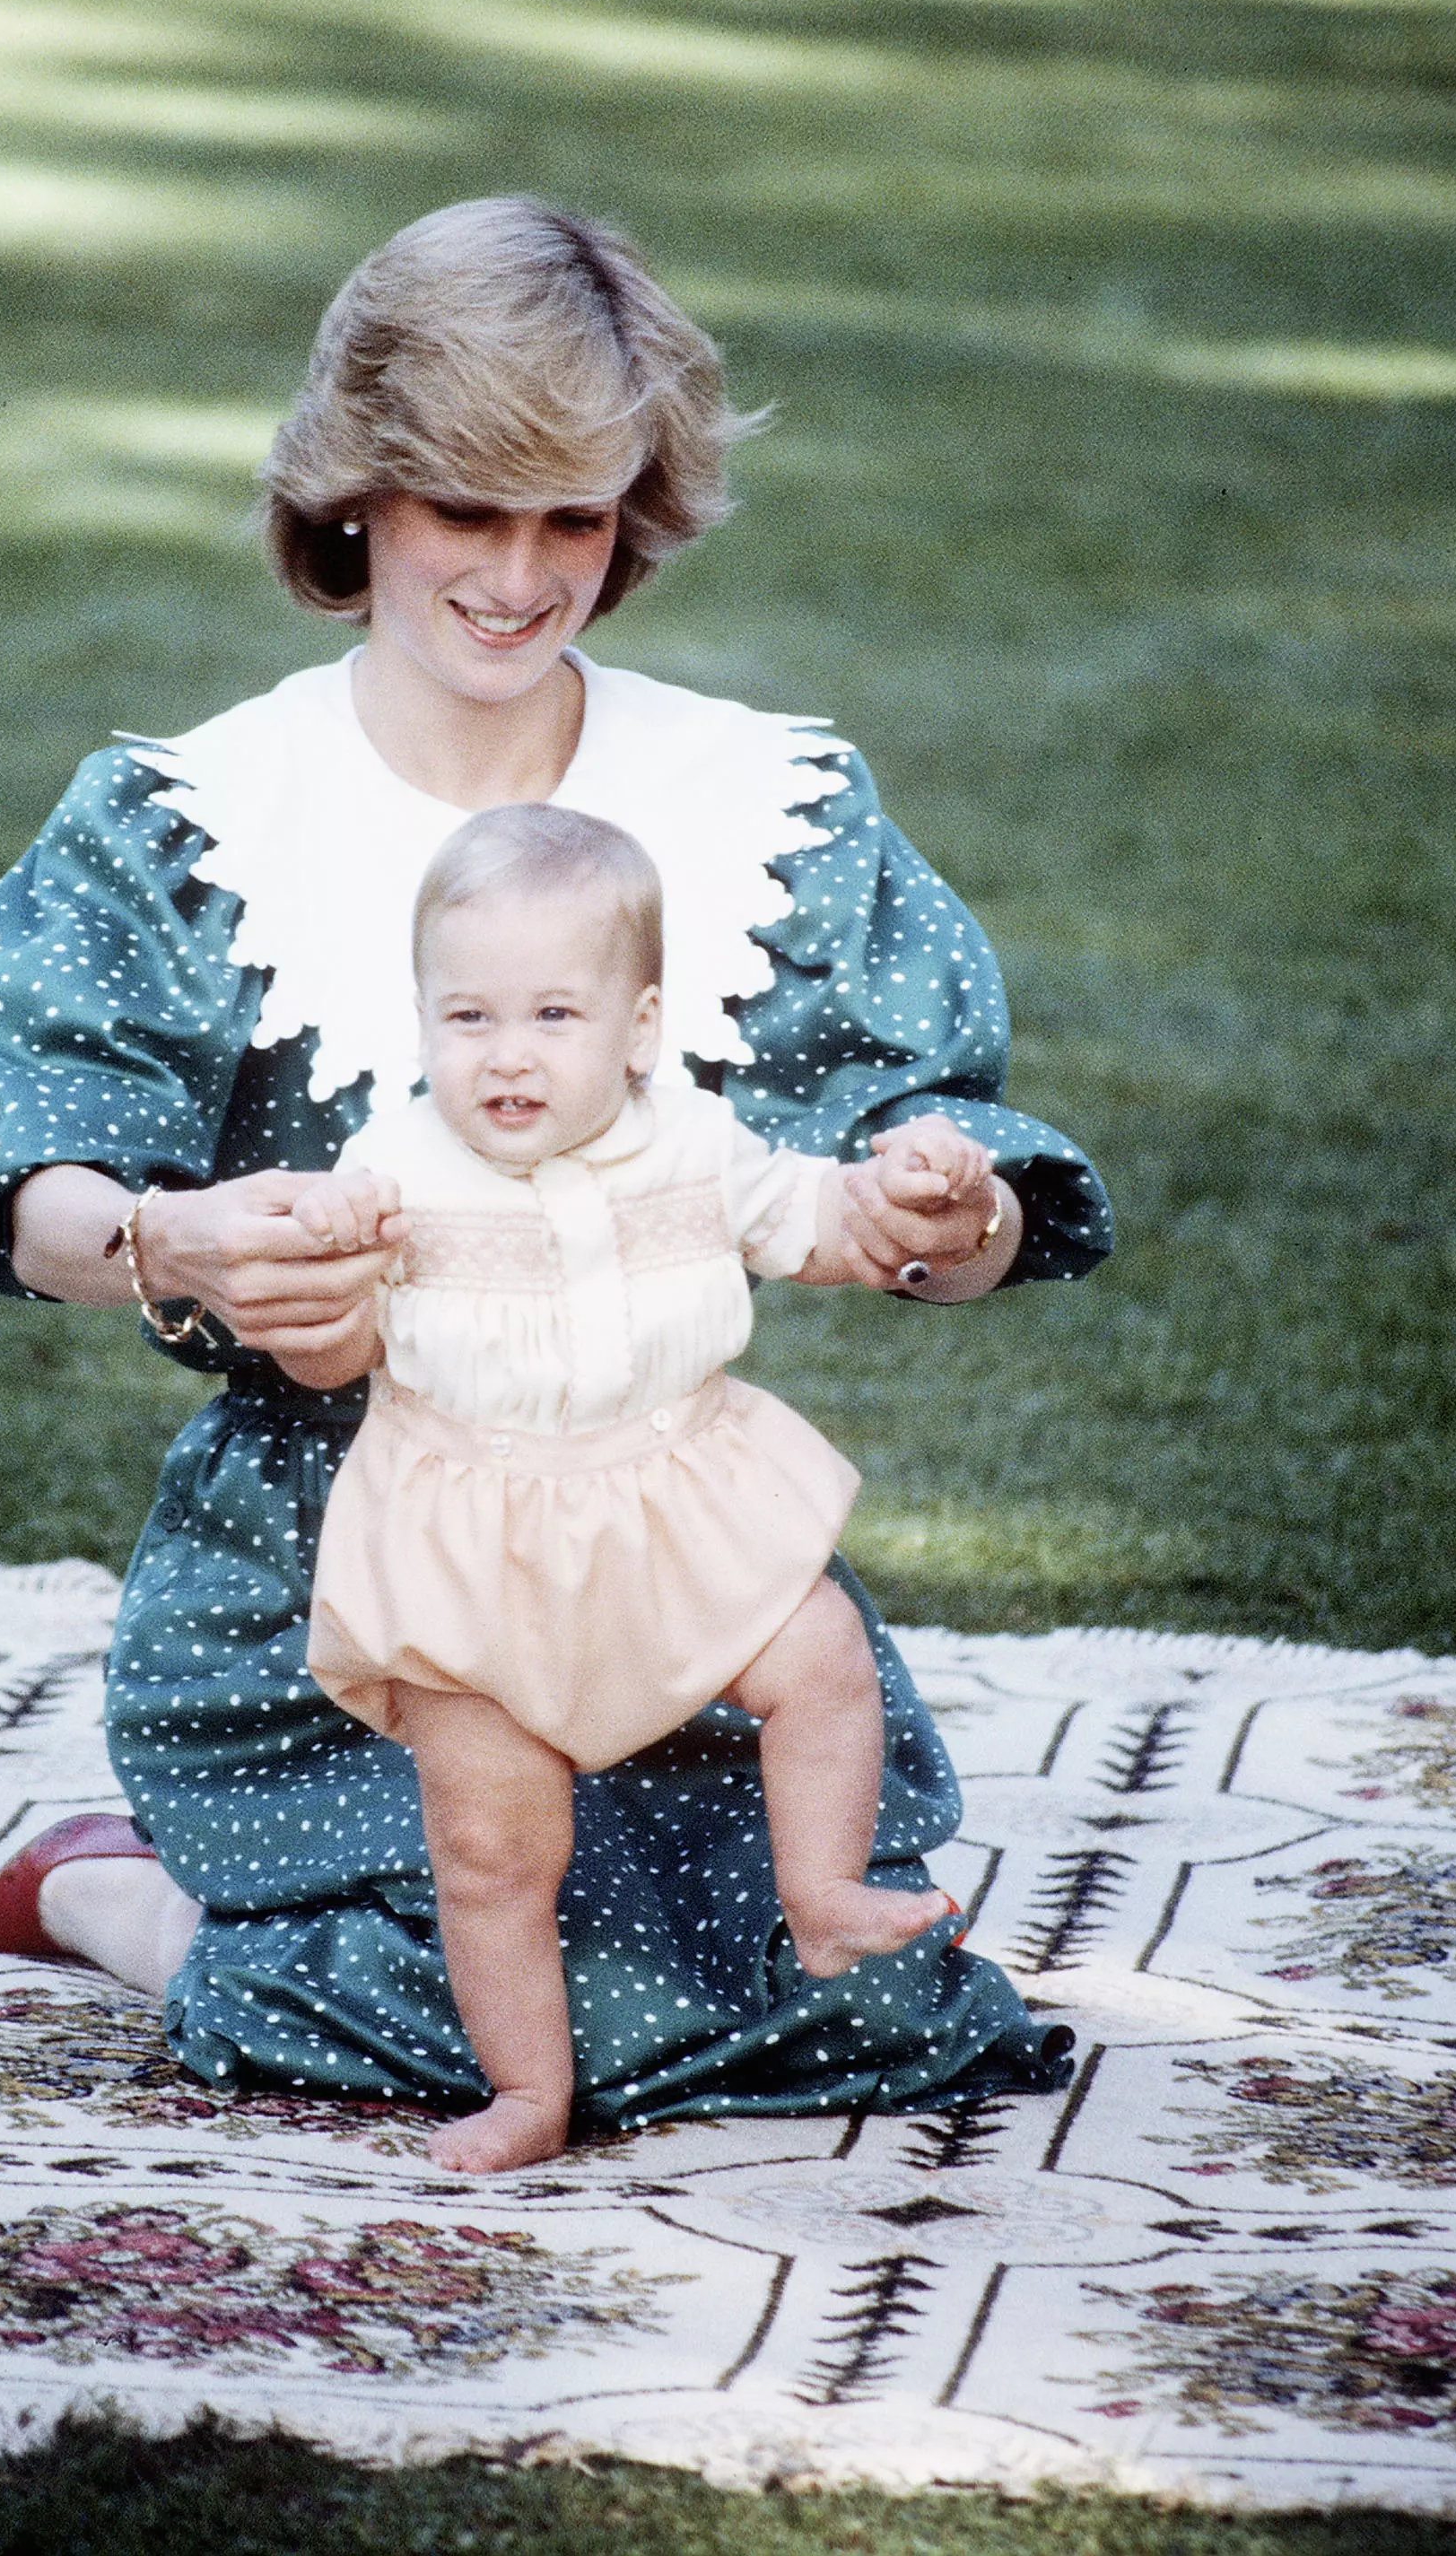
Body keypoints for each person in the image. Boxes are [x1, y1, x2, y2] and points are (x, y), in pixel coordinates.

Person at [0, 195, 1112, 2142]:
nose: (524, 574)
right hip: (334, 1573)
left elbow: (934, 1160)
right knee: (482, 1999)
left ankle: (331, 1922)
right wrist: (158, 1237)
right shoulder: (187, 818)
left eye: (577, 516)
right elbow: (22, 1172)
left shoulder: (761, 803)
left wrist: (945, 1213)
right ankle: (121, 1889)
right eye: (471, 508)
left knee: (866, 2009)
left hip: (650, 1539)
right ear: (355, 495)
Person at [289, 802, 990, 2169]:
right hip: (466, 1537)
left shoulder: (698, 1143)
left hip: (673, 1493)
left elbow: (824, 1227)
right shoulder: (391, 1171)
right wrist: (318, 1262)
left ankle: (822, 1888)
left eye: (553, 1015)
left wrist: (909, 1180)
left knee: (821, 1654)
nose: (504, 1055)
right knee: (493, 1845)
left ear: (639, 1026)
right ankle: (527, 2093)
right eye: (466, 1016)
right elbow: (327, 1332)